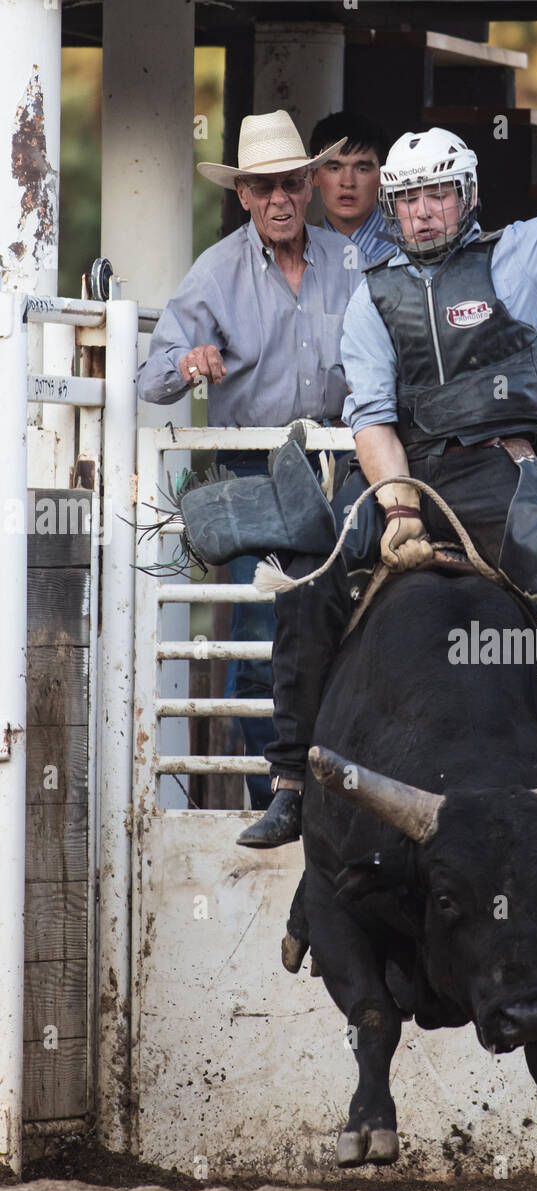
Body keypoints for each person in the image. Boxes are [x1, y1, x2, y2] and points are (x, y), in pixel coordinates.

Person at [246, 56, 537, 853]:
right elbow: (372, 417)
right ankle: (289, 785)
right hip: (402, 473)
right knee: (307, 585)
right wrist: (398, 510)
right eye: (406, 199)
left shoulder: (517, 255)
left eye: (436, 194)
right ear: (394, 208)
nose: (420, 213)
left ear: (467, 195)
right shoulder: (371, 297)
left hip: (499, 469)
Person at [138, 109, 361, 816]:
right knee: (264, 639)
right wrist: (187, 361)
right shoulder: (217, 271)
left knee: (352, 621)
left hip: (337, 466)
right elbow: (150, 377)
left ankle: (344, 797)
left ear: (309, 184)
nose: (280, 199)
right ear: (243, 195)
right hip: (254, 471)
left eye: (291, 183)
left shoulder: (348, 262)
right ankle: (276, 794)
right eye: (263, 187)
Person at [308, 111, 395, 265]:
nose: (348, 182)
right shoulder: (299, 253)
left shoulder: (407, 250)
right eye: (334, 168)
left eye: (362, 169)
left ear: (383, 176)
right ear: (314, 175)